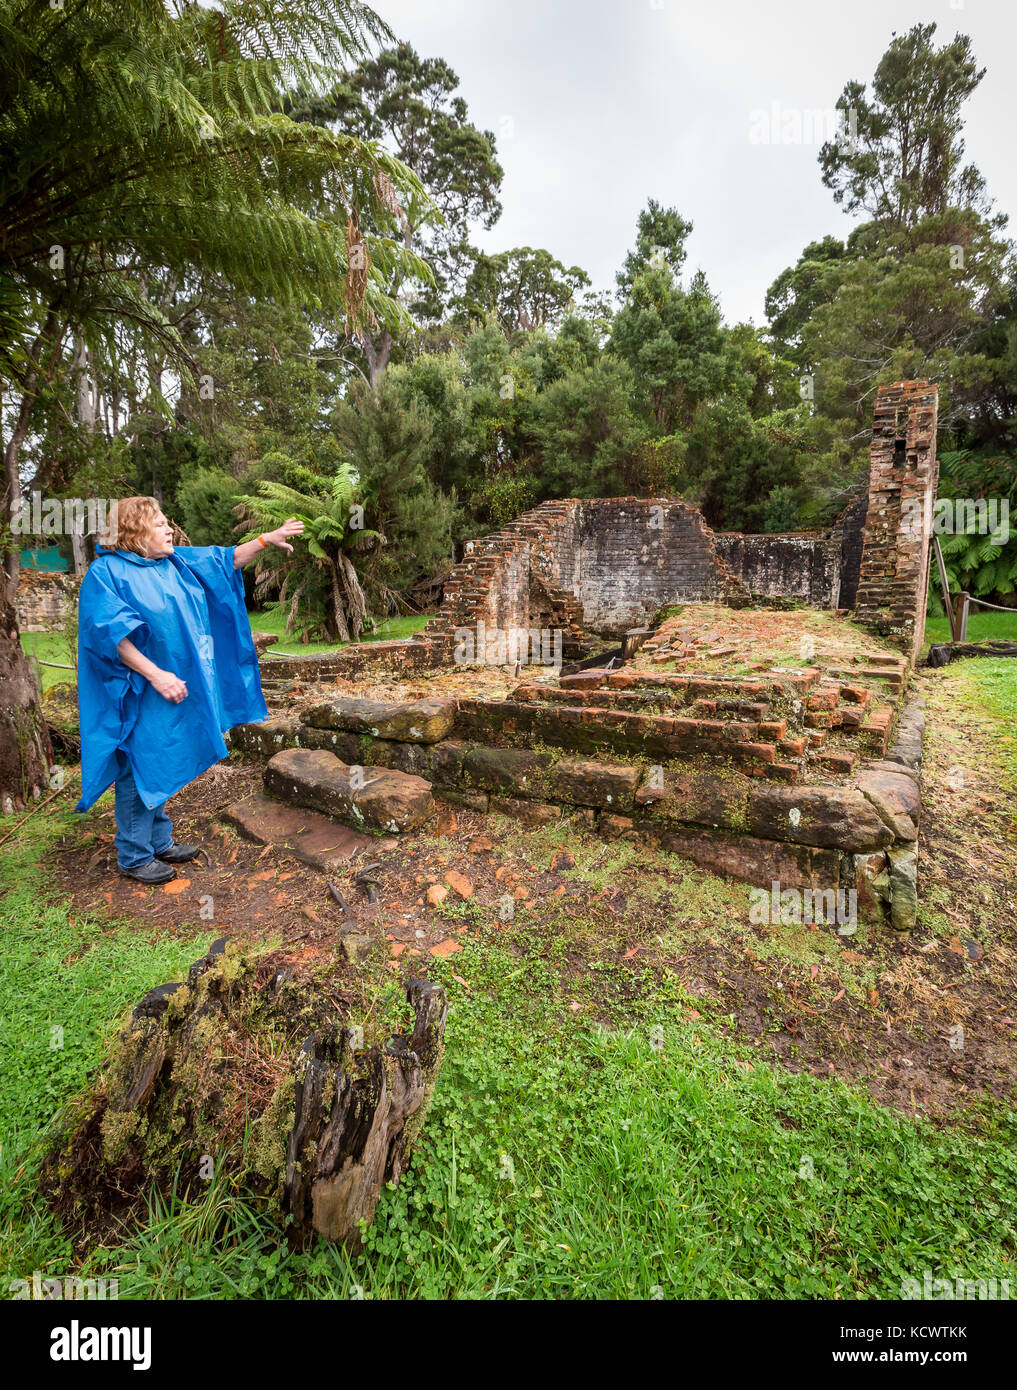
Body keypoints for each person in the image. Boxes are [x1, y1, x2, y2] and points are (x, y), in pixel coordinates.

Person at [74, 496, 304, 883]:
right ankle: (133, 855)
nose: (169, 529)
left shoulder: (173, 562)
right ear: (133, 531)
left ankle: (158, 839)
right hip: (137, 688)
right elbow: (110, 635)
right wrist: (156, 675)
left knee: (163, 755)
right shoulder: (107, 573)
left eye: (167, 522)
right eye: (159, 523)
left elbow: (224, 560)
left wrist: (268, 539)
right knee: (138, 763)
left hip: (174, 684)